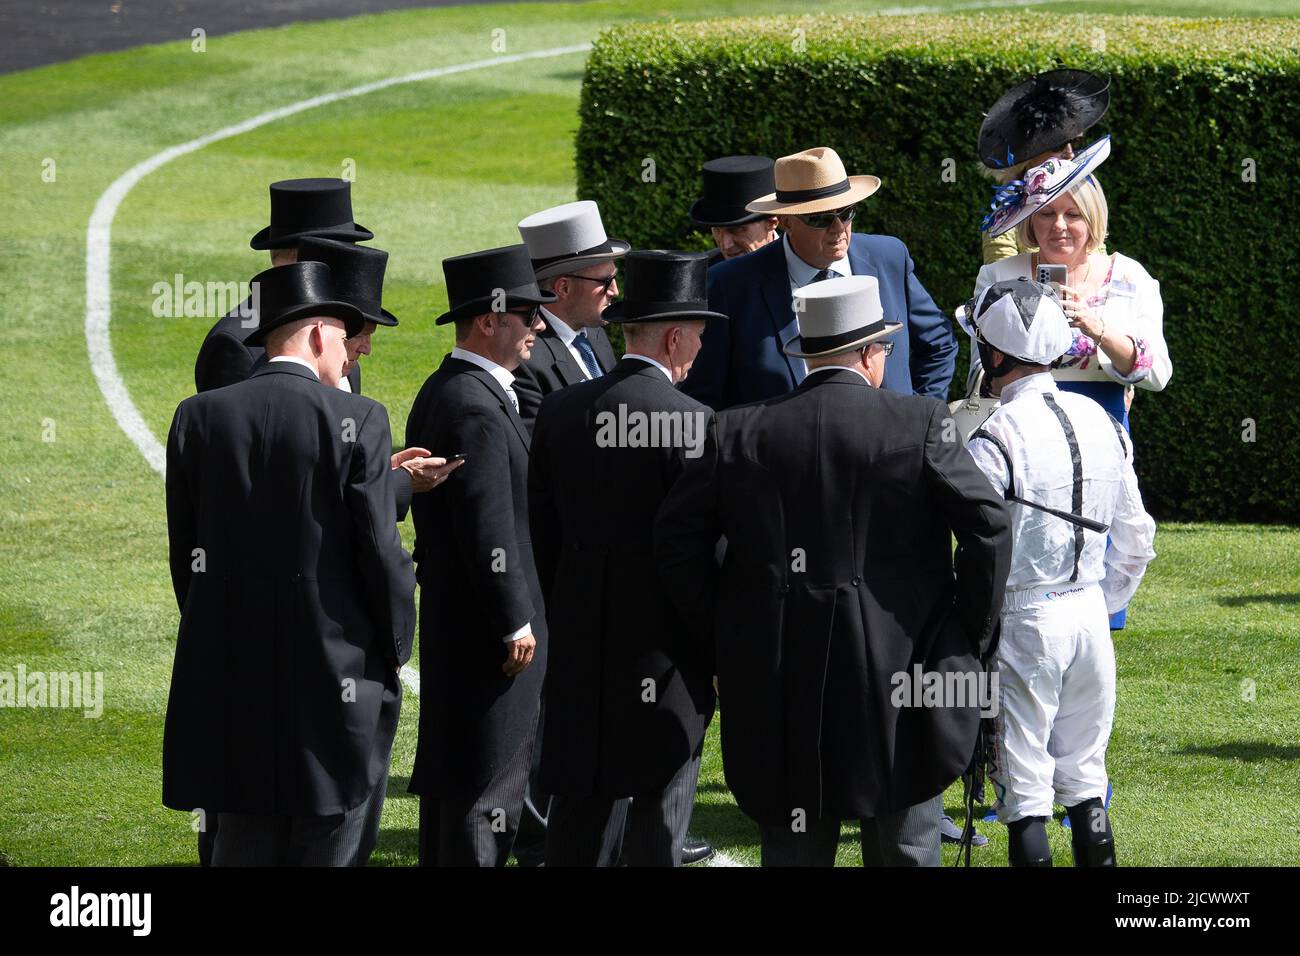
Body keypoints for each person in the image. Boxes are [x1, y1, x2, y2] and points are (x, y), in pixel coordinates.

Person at [656, 275, 1012, 866]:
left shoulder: (736, 431)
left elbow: (676, 544)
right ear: (871, 352)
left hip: (775, 671)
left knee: (795, 848)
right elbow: (989, 528)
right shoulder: (920, 421)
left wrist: (724, 636)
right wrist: (965, 631)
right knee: (904, 843)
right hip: (906, 669)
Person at [162, 261, 416, 866]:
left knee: (242, 842)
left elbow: (186, 558)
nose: (354, 354)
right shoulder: (361, 419)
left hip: (229, 673)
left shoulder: (196, 417)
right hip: (336, 677)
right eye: (349, 338)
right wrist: (393, 644)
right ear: (319, 333)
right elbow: (381, 554)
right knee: (329, 841)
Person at [529, 251, 720, 867]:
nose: (699, 347)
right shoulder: (694, 423)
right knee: (658, 826)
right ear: (672, 335)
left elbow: (543, 535)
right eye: (697, 333)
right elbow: (702, 557)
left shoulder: (560, 411)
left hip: (580, 652)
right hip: (667, 666)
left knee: (579, 820)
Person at [964, 278, 1156, 866]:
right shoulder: (1102, 421)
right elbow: (1137, 538)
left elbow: (975, 550)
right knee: (1085, 778)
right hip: (1089, 616)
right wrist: (1098, 597)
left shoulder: (992, 436)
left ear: (995, 355)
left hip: (1026, 620)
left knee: (1024, 792)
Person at [973, 137, 1170, 630]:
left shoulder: (1129, 277)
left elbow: (1157, 374)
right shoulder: (999, 274)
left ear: (1093, 218)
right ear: (1028, 221)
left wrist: (1097, 328)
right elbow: (982, 370)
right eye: (1045, 215)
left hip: (1100, 433)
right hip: (1020, 434)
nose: (1059, 227)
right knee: (1027, 568)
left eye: (1072, 214)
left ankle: (1094, 649)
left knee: (1097, 556)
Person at [405, 244, 552, 867]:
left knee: (462, 785)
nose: (539, 328)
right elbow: (486, 527)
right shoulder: (474, 405)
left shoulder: (455, 390)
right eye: (528, 316)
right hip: (489, 645)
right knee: (488, 791)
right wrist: (513, 620)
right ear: (490, 321)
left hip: (461, 633)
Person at [682, 146, 956, 410]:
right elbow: (703, 396)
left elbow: (939, 344)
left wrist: (919, 418)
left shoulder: (889, 257)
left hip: (889, 453)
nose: (838, 229)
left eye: (847, 213)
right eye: (820, 218)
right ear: (785, 222)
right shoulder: (730, 284)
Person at [292, 237, 461, 513]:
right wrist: (400, 482)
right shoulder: (279, 390)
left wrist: (382, 471)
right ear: (322, 329)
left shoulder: (349, 374)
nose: (367, 350)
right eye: (358, 335)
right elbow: (311, 499)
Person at [194, 178, 371, 394]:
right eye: (345, 255)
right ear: (310, 261)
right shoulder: (236, 345)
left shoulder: (341, 327)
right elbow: (229, 425)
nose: (354, 265)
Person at [976, 69, 1111, 265]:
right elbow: (1000, 282)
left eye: (1075, 142)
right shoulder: (1006, 211)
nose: (1070, 153)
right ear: (1029, 154)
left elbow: (1098, 260)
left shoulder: (1082, 192)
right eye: (1058, 145)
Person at [513, 201, 624, 432]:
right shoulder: (526, 358)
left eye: (615, 277)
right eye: (605, 282)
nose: (615, 291)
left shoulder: (593, 331)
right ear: (563, 288)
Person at [689, 155, 779, 263]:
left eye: (737, 230)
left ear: (772, 222)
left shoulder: (798, 264)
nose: (726, 245)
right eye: (717, 230)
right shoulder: (702, 273)